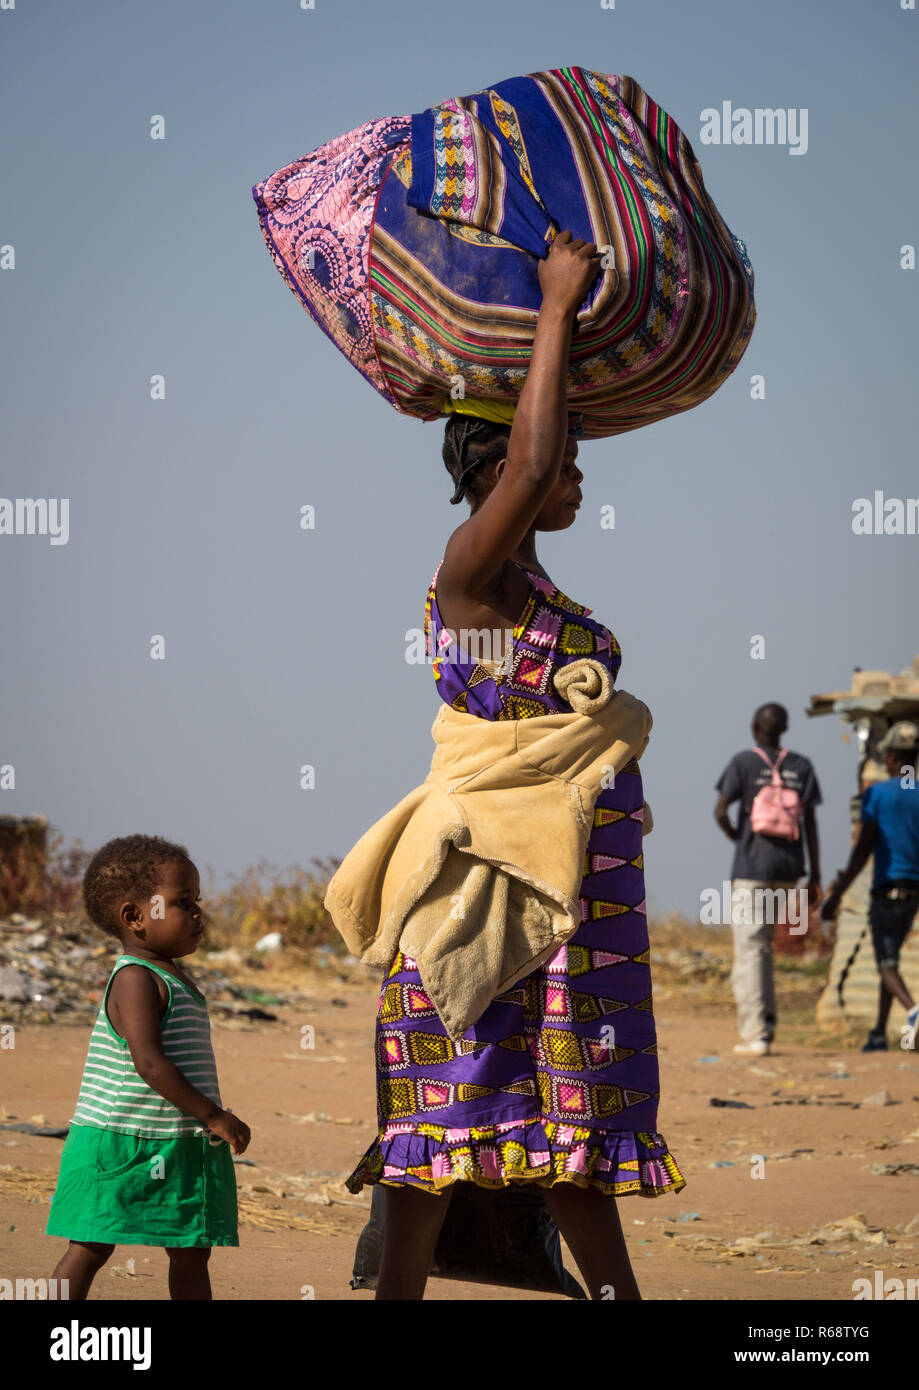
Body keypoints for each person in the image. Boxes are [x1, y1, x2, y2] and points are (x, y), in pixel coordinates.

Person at [343, 230, 685, 1302]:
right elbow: (533, 461)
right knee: (443, 1115)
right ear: (497, 472)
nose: (571, 473)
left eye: (575, 458)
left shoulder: (540, 599)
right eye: (562, 457)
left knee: (563, 1117)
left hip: (573, 909)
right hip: (487, 894)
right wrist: (554, 305)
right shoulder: (467, 579)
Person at [46, 834, 250, 1300]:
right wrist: (214, 1115)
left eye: (197, 899)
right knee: (91, 1245)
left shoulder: (174, 974)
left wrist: (203, 1122)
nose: (198, 912)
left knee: (192, 1247)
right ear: (135, 917)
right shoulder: (136, 978)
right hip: (120, 1141)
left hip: (177, 1142)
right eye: (182, 902)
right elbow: (150, 1064)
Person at [714, 703, 822, 1055]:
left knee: (750, 950)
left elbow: (720, 812)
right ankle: (767, 1026)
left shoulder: (743, 763)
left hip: (752, 870)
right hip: (789, 871)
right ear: (785, 728)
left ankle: (755, 1033)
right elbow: (810, 824)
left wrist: (739, 840)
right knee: (764, 950)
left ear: (753, 727)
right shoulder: (801, 765)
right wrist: (814, 873)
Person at [821, 721, 919, 1052]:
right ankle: (879, 1034)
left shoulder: (877, 794)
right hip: (913, 892)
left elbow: (862, 850)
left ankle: (914, 1011)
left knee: (886, 963)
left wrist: (835, 896)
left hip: (887, 889)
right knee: (886, 959)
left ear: (890, 756)